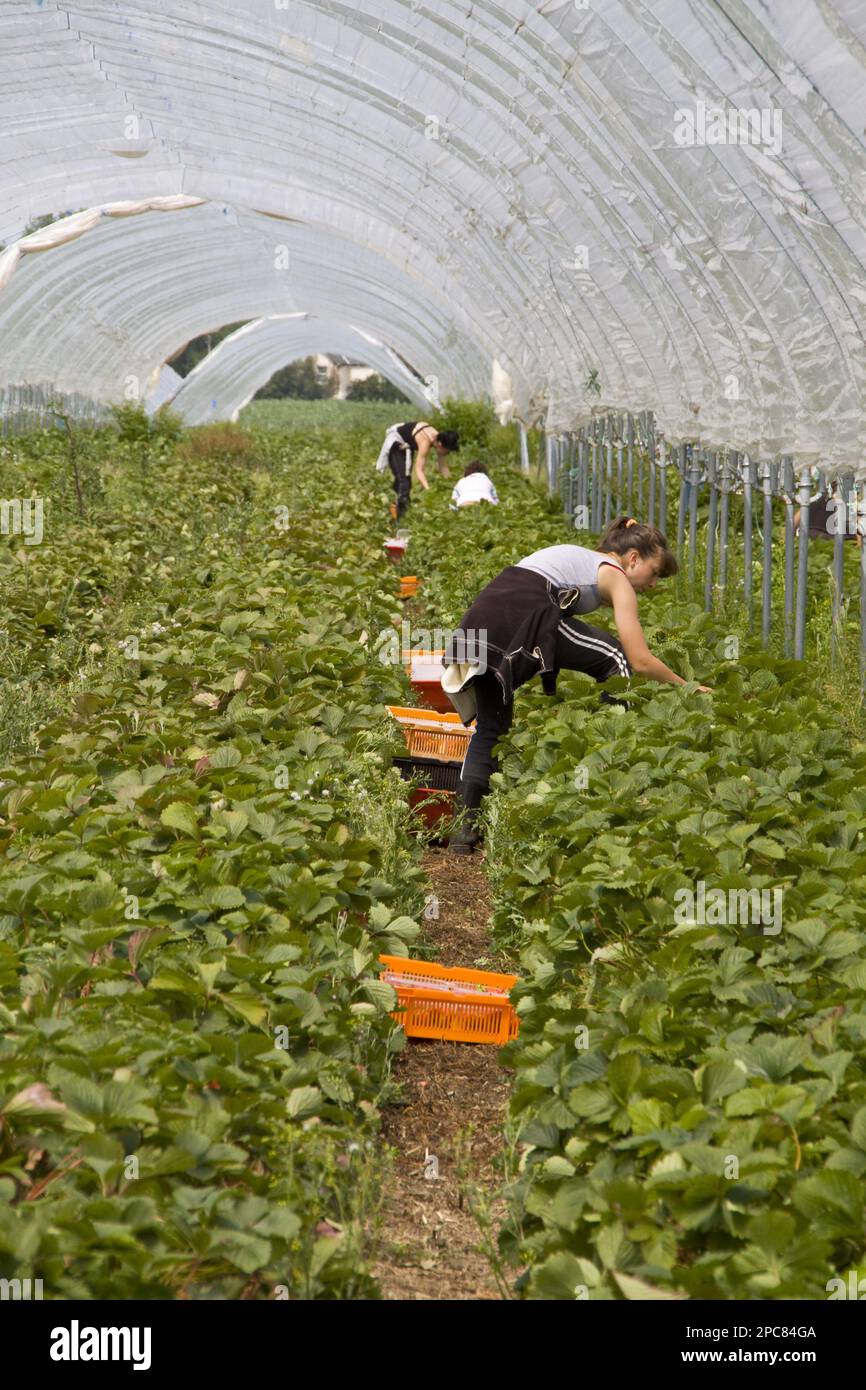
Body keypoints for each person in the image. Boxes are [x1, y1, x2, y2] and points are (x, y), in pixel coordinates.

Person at [441, 516, 712, 855]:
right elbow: (639, 659)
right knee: (615, 657)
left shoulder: (581, 559)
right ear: (632, 559)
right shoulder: (615, 576)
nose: (654, 584)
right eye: (655, 572)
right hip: (523, 614)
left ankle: (463, 832)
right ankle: (606, 767)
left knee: (492, 728)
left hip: (481, 623)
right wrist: (686, 686)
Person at [375, 421, 459, 519]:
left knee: (405, 480)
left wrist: (453, 487)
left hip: (407, 445)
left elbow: (443, 467)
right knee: (404, 480)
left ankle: (401, 508)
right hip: (396, 441)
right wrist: (428, 489)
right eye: (447, 451)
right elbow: (419, 469)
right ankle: (398, 515)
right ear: (440, 444)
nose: (447, 454)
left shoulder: (439, 439)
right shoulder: (425, 442)